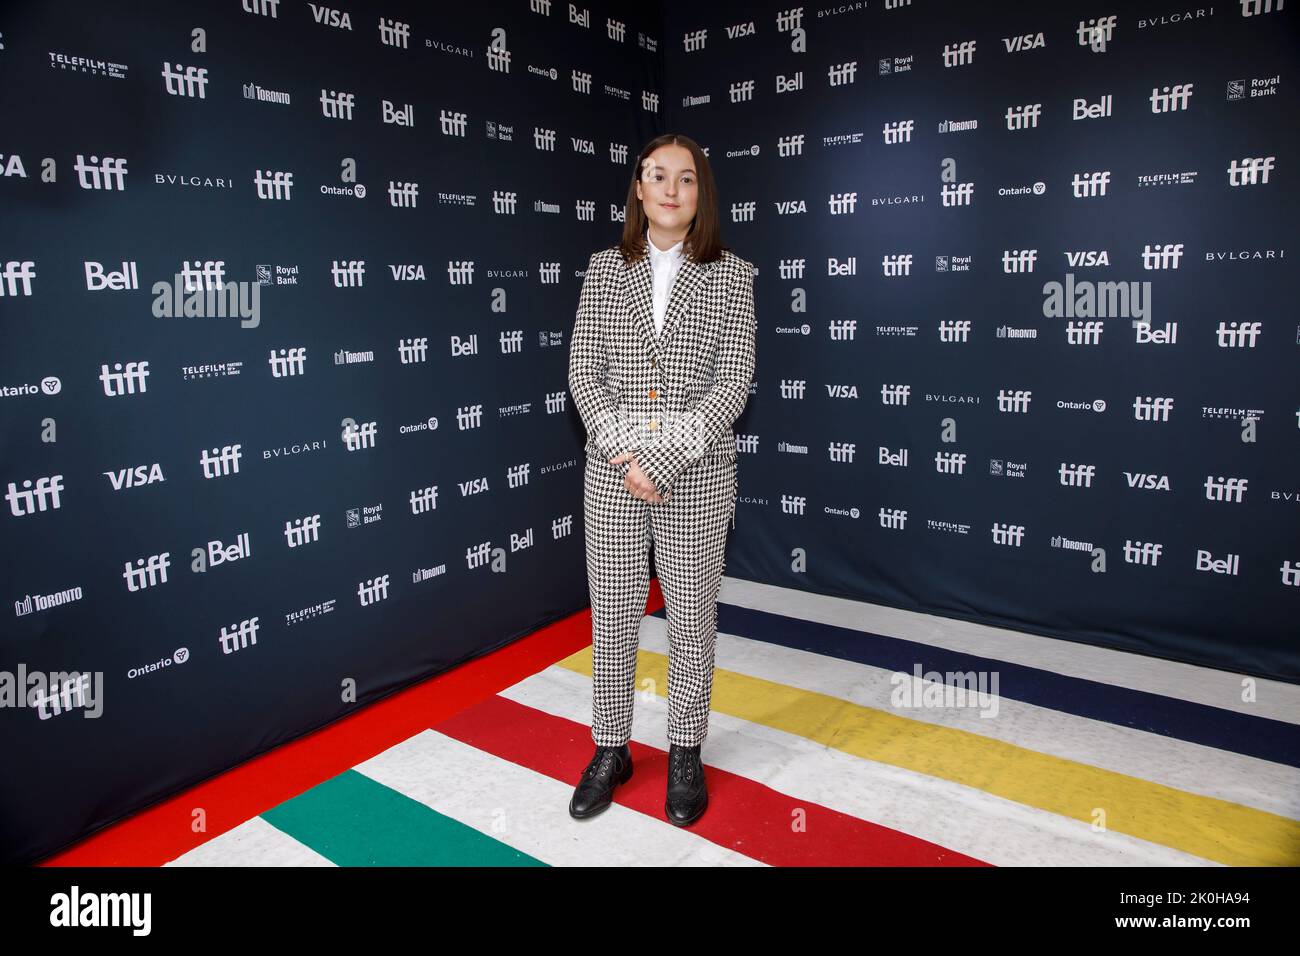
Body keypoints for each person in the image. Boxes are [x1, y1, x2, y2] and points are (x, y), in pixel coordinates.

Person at [565, 133, 757, 827]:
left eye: (686, 178)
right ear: (639, 189)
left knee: (692, 621)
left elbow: (732, 382)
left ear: (701, 193)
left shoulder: (733, 275)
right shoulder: (603, 268)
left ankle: (685, 751)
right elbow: (583, 372)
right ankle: (611, 748)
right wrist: (626, 458)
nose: (671, 189)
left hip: (697, 478)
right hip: (613, 478)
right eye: (657, 176)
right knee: (613, 616)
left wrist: (665, 460)